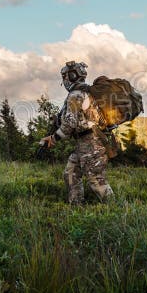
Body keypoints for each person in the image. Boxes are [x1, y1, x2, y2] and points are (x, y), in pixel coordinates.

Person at [40, 61, 114, 205]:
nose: (65, 80)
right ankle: (76, 206)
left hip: (91, 143)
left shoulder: (75, 95)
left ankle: (117, 210)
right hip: (84, 143)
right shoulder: (85, 93)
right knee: (71, 173)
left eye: (65, 76)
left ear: (72, 76)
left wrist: (53, 138)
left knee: (96, 179)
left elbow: (70, 124)